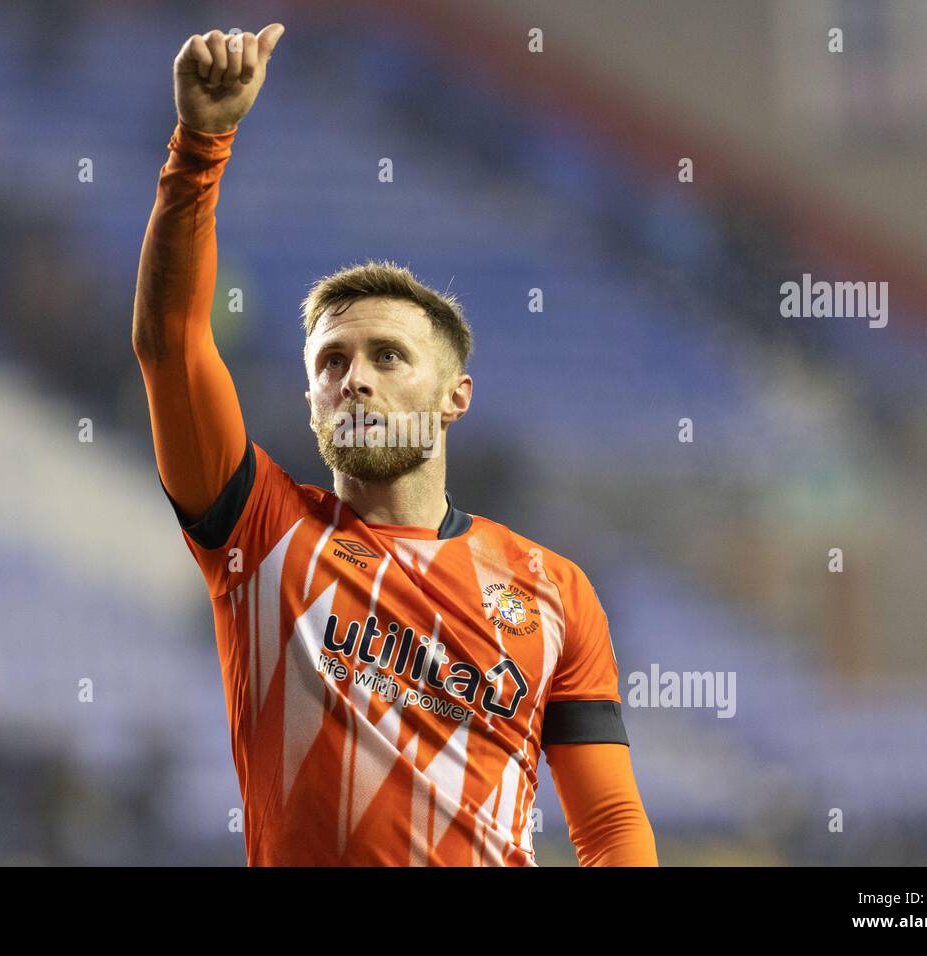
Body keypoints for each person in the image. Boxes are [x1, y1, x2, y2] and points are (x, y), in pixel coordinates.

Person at [132, 23, 657, 866]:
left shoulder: (554, 591)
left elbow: (610, 829)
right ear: (311, 401)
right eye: (331, 362)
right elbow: (170, 341)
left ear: (456, 398)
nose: (356, 379)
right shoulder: (260, 537)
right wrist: (201, 144)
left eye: (387, 356)